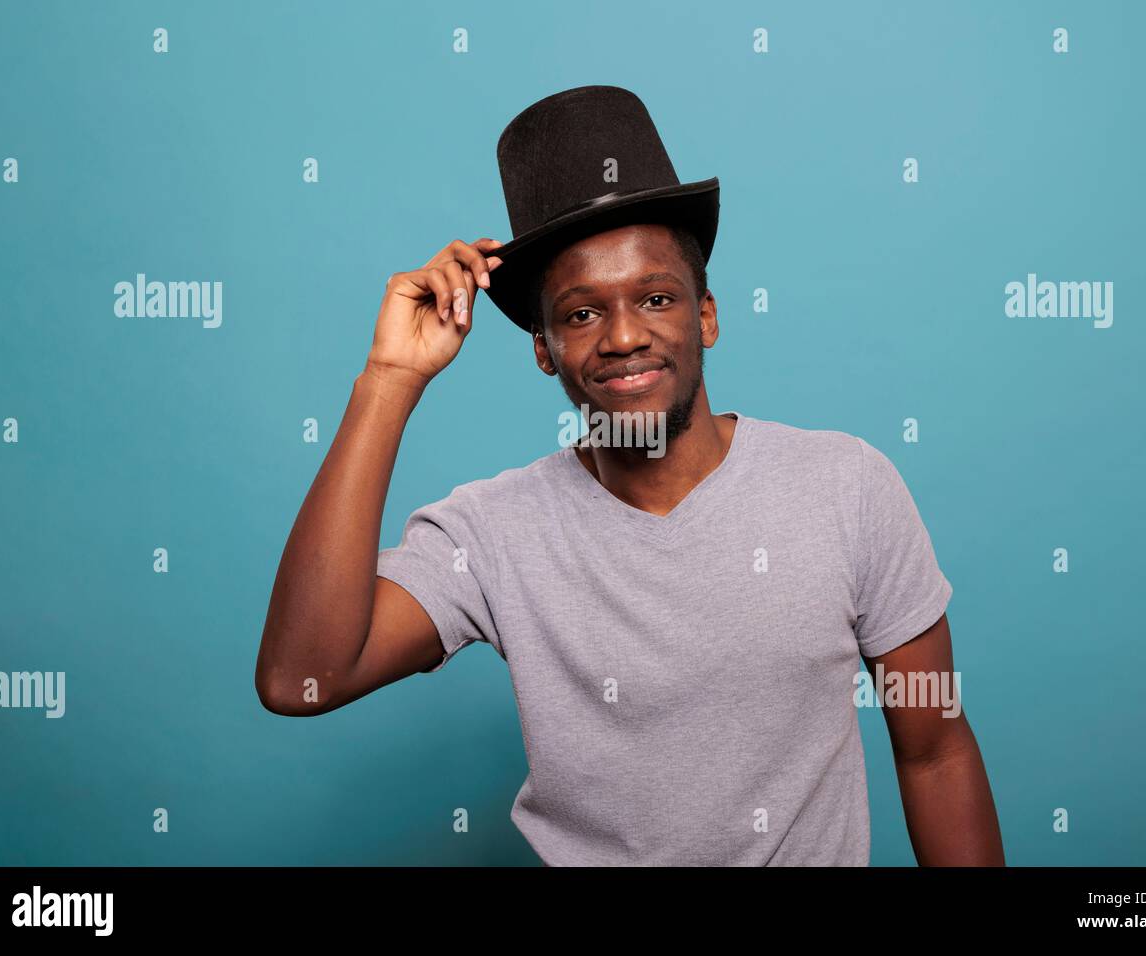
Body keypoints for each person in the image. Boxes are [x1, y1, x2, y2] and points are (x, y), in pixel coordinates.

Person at [255, 86, 1004, 866]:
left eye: (654, 298)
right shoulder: (493, 531)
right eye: (581, 313)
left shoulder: (847, 487)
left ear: (705, 315)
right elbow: (301, 676)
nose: (622, 336)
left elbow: (936, 751)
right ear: (544, 349)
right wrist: (389, 380)